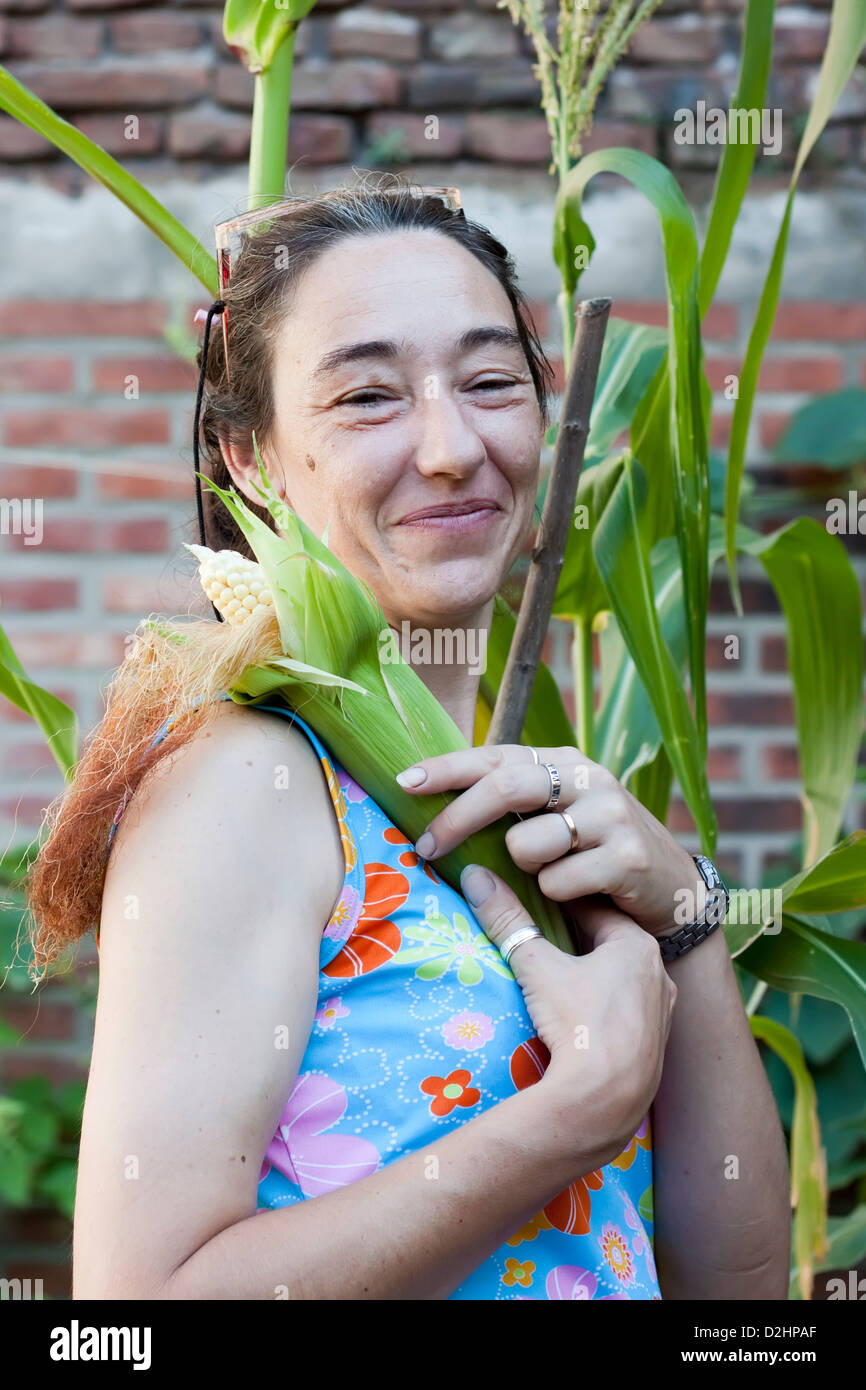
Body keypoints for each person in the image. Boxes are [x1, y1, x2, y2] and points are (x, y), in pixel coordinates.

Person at [27, 175, 790, 1301]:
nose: (448, 448)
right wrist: (573, 1113)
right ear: (252, 459)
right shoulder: (252, 780)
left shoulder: (533, 796)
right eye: (366, 398)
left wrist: (684, 918)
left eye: (490, 381)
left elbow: (733, 1296)